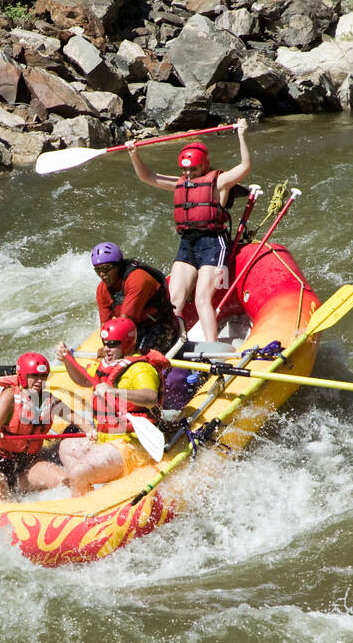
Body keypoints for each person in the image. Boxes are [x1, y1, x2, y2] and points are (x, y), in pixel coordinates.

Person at [125, 118, 252, 343]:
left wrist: (241, 135)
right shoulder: (179, 182)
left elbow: (244, 167)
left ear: (204, 165)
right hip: (188, 244)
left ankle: (212, 347)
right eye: (185, 169)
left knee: (203, 297)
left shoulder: (219, 182)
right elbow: (148, 177)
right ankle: (170, 342)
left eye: (193, 168)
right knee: (174, 298)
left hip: (213, 243)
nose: (189, 173)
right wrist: (134, 153)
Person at [54, 318, 167, 497]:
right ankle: (88, 490)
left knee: (78, 472)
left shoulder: (141, 369)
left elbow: (150, 397)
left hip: (131, 445)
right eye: (105, 344)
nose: (107, 349)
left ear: (127, 343)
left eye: (113, 344)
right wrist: (68, 360)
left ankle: (82, 492)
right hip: (106, 439)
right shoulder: (107, 365)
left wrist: (114, 392)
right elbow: (83, 380)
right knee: (66, 447)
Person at [0, 352, 67, 499]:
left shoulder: (49, 400)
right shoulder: (10, 396)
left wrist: (91, 430)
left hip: (25, 463)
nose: (39, 381)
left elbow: (78, 419)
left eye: (43, 376)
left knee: (64, 480)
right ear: (23, 376)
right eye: (34, 376)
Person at [89, 241, 181, 355]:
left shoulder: (137, 280)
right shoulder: (102, 290)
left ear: (118, 266)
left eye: (106, 268)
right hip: (135, 329)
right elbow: (105, 326)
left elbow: (125, 321)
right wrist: (108, 348)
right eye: (98, 270)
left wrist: (119, 353)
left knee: (139, 358)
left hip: (161, 325)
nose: (102, 274)